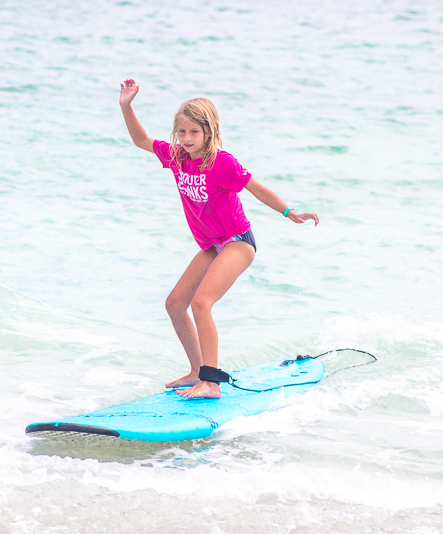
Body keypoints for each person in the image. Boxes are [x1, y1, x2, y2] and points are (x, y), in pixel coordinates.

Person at [119, 78, 319, 399]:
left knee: (201, 303)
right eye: (181, 132)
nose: (186, 139)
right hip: (213, 245)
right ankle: (197, 372)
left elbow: (257, 188)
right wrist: (126, 105)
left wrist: (289, 212)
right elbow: (141, 139)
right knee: (175, 304)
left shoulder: (221, 163)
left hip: (238, 241)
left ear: (209, 132)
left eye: (194, 132)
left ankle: (211, 383)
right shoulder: (176, 157)